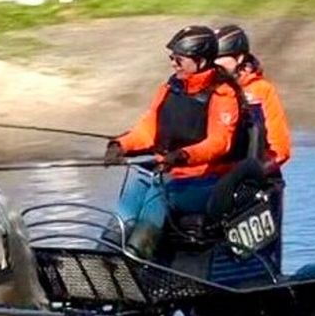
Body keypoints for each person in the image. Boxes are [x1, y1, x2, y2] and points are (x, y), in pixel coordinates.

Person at [103, 25, 241, 258]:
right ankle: (108, 255)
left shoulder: (223, 94)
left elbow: (220, 142)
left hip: (207, 181)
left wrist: (183, 155)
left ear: (201, 60)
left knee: (158, 193)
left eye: (179, 59)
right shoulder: (169, 89)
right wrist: (121, 145)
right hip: (170, 175)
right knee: (136, 185)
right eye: (172, 58)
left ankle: (137, 258)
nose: (173, 63)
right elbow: (149, 130)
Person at [214, 24, 292, 171]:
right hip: (214, 177)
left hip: (256, 177)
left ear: (239, 58)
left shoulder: (261, 90)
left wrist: (252, 173)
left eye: (218, 58)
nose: (213, 63)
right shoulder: (206, 89)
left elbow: (280, 150)